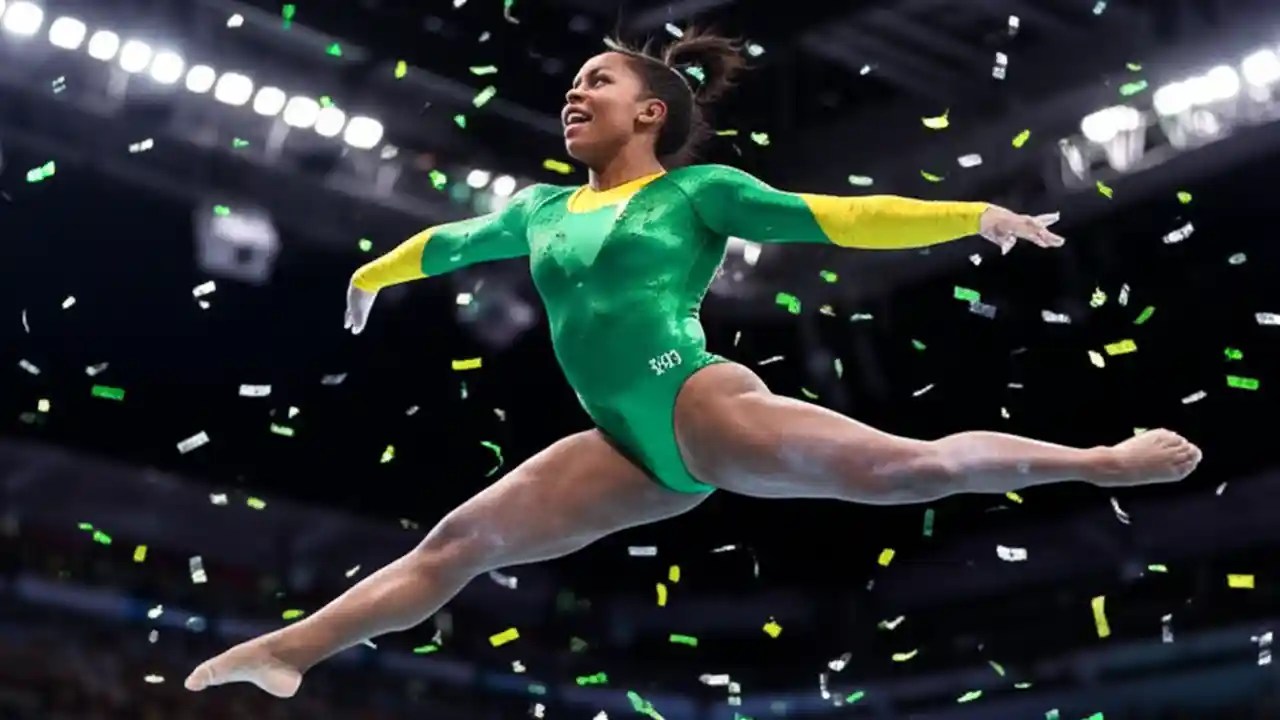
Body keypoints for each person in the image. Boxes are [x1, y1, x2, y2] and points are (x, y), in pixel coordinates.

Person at [186, 30, 1201, 698]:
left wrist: (968, 214)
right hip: (623, 444)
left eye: (598, 82)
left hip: (693, 395)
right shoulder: (539, 209)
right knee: (459, 542)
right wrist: (373, 270)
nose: (573, 94)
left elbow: (835, 217)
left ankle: (1100, 459)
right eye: (574, 82)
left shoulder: (696, 193)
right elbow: (449, 245)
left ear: (650, 115)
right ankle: (290, 652)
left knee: (910, 470)